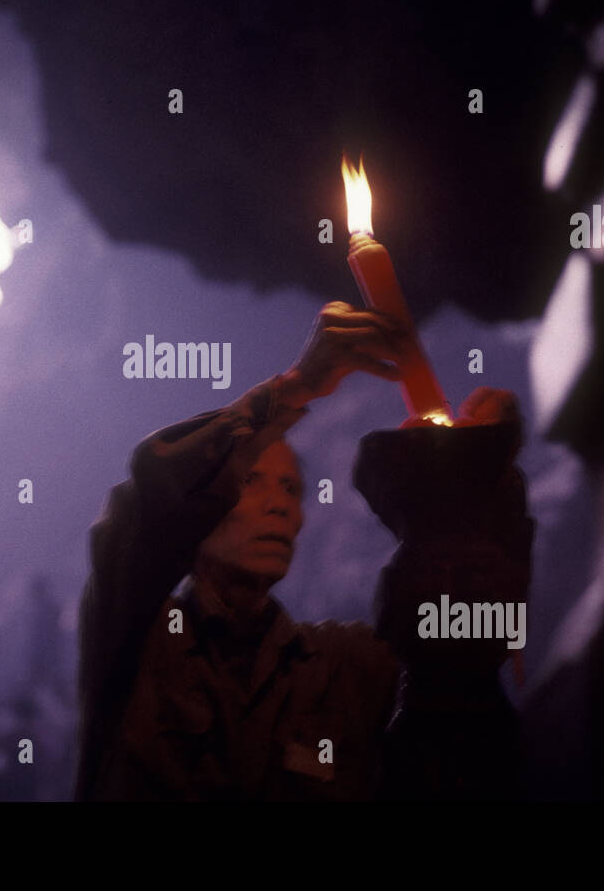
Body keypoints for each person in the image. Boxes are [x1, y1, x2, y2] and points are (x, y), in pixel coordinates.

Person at [75, 301, 532, 800]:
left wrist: (480, 490)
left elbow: (456, 663)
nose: (277, 505)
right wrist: (294, 387)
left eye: (291, 490)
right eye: (252, 482)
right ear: (207, 507)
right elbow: (146, 502)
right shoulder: (138, 637)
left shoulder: (343, 668)